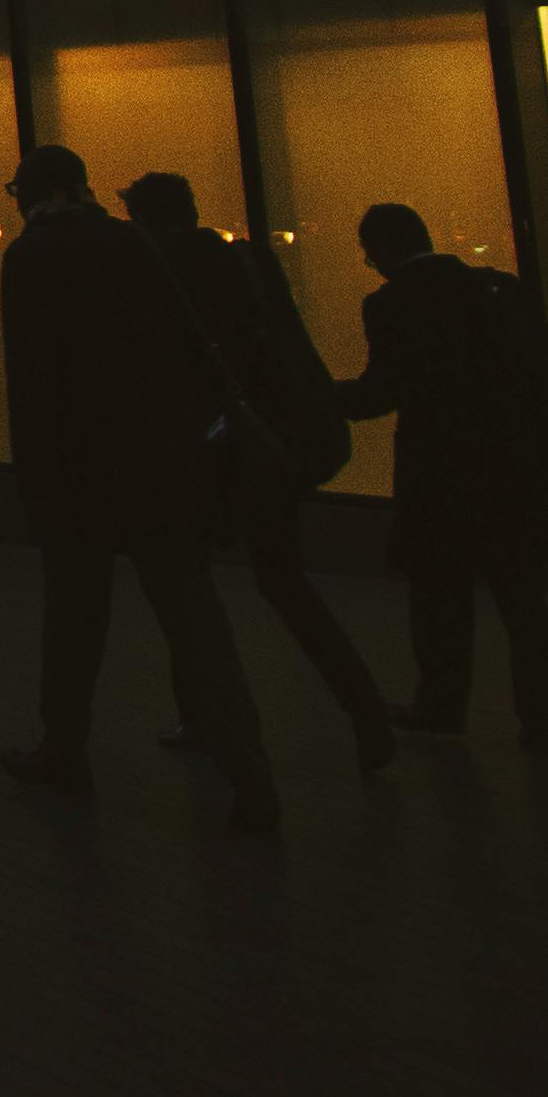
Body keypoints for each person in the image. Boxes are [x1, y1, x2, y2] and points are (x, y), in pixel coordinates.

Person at [0, 142, 276, 828]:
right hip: (160, 469)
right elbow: (190, 345)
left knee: (73, 620)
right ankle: (251, 777)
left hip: (75, 475)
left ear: (31, 196)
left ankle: (64, 750)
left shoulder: (29, 258)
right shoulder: (133, 245)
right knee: (195, 623)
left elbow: (31, 385)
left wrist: (35, 485)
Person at [119, 173, 397, 780]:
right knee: (287, 585)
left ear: (143, 222)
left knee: (187, 591)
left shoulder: (155, 273)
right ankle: (366, 710)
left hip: (204, 453)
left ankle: (202, 719)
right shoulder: (246, 258)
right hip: (271, 446)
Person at [330, 202, 548, 755]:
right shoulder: (499, 288)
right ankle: (544, 721)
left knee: (441, 598)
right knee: (523, 604)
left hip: (442, 476)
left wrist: (325, 397)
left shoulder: (390, 304)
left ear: (382, 250)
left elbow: (382, 391)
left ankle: (441, 706)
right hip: (517, 471)